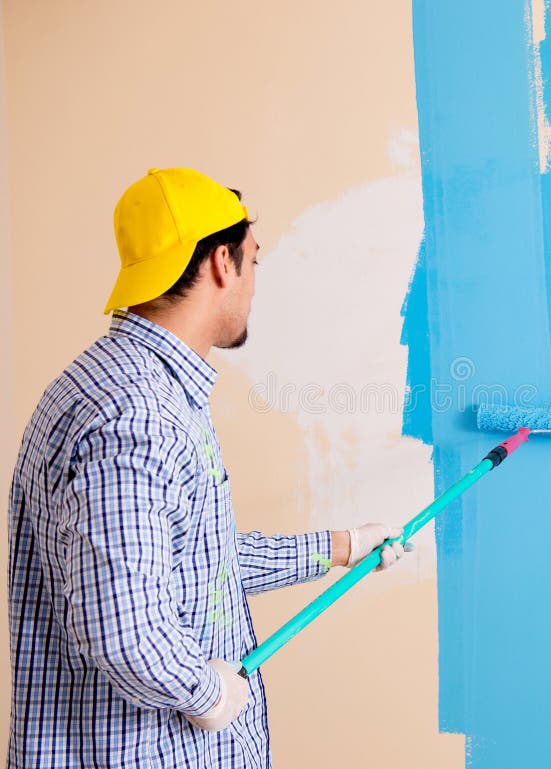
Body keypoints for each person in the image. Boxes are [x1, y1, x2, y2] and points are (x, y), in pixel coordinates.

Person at [6, 167, 407, 768]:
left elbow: (191, 561)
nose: (254, 283)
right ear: (223, 262)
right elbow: (125, 631)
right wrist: (208, 690)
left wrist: (341, 546)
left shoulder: (124, 386)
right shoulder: (137, 415)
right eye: (254, 259)